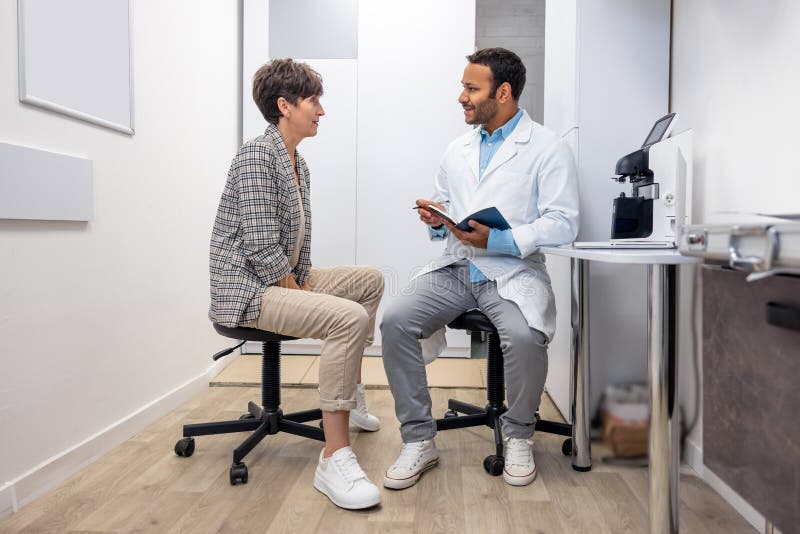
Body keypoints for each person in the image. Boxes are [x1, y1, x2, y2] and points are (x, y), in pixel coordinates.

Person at [381, 48, 579, 489]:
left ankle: (519, 434)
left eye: (471, 89)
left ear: (503, 93)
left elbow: (564, 223)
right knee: (395, 321)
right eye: (463, 87)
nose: (461, 98)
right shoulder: (457, 149)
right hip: (457, 266)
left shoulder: (548, 148)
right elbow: (449, 205)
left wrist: (500, 240)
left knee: (524, 338)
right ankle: (418, 438)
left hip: (513, 270)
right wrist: (437, 219)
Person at [209, 59, 383, 510]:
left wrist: (303, 283)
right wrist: (298, 293)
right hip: (248, 290)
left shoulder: (297, 163)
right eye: (313, 101)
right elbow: (261, 245)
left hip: (285, 278)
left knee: (369, 282)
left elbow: (295, 242)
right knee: (348, 318)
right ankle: (334, 457)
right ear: (285, 106)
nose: (321, 110)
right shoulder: (256, 156)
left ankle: (350, 398)